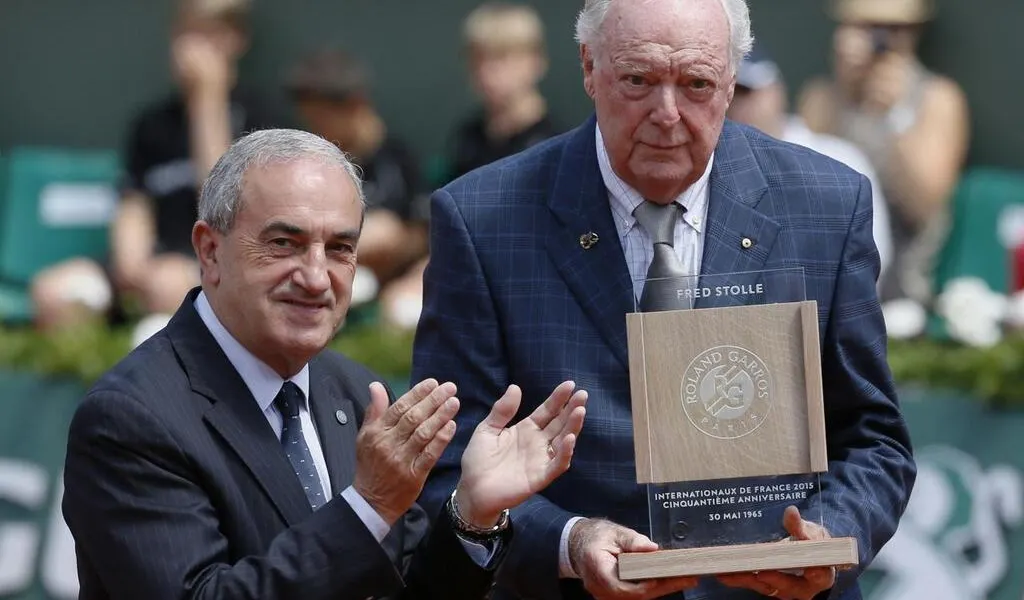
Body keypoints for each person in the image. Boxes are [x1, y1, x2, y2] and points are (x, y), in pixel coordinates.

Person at [411, 0, 916, 599]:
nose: (667, 113)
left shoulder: (827, 205)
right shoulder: (484, 219)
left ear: (731, 82)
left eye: (697, 83)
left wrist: (825, 538)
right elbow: (449, 460)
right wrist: (570, 541)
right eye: (638, 80)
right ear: (589, 68)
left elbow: (874, 439)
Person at [62, 129, 588, 600]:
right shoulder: (130, 419)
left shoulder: (360, 395)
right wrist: (368, 507)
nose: (316, 277)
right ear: (209, 250)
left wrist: (471, 516)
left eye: (339, 248)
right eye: (284, 243)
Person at [31, 0, 283, 338]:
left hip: (216, 265)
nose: (189, 47)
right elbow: (134, 198)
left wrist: (208, 99)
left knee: (167, 285)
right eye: (185, 31)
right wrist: (130, 259)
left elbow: (223, 205)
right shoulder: (152, 124)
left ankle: (166, 386)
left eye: (206, 32)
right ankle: (98, 386)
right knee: (54, 293)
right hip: (152, 263)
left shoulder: (261, 120)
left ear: (236, 39)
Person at [797, 0, 969, 303]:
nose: (882, 39)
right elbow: (806, 195)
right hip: (831, 272)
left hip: (907, 283)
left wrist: (896, 114)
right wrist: (845, 91)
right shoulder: (822, 96)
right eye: (868, 27)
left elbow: (924, 208)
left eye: (895, 28)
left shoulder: (937, 98)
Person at [725, 42, 894, 284]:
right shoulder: (709, 168)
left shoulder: (838, 158)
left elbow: (872, 257)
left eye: (746, 91)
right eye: (729, 93)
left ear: (776, 90)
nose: (736, 104)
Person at [286, 47, 429, 319]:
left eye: (323, 116)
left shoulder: (396, 161)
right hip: (320, 273)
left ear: (355, 105)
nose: (315, 127)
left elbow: (417, 236)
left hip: (387, 284)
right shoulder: (308, 164)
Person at [444, 2, 560, 183]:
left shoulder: (558, 144)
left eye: (501, 56)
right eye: (478, 58)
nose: (486, 70)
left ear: (536, 60)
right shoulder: (467, 139)